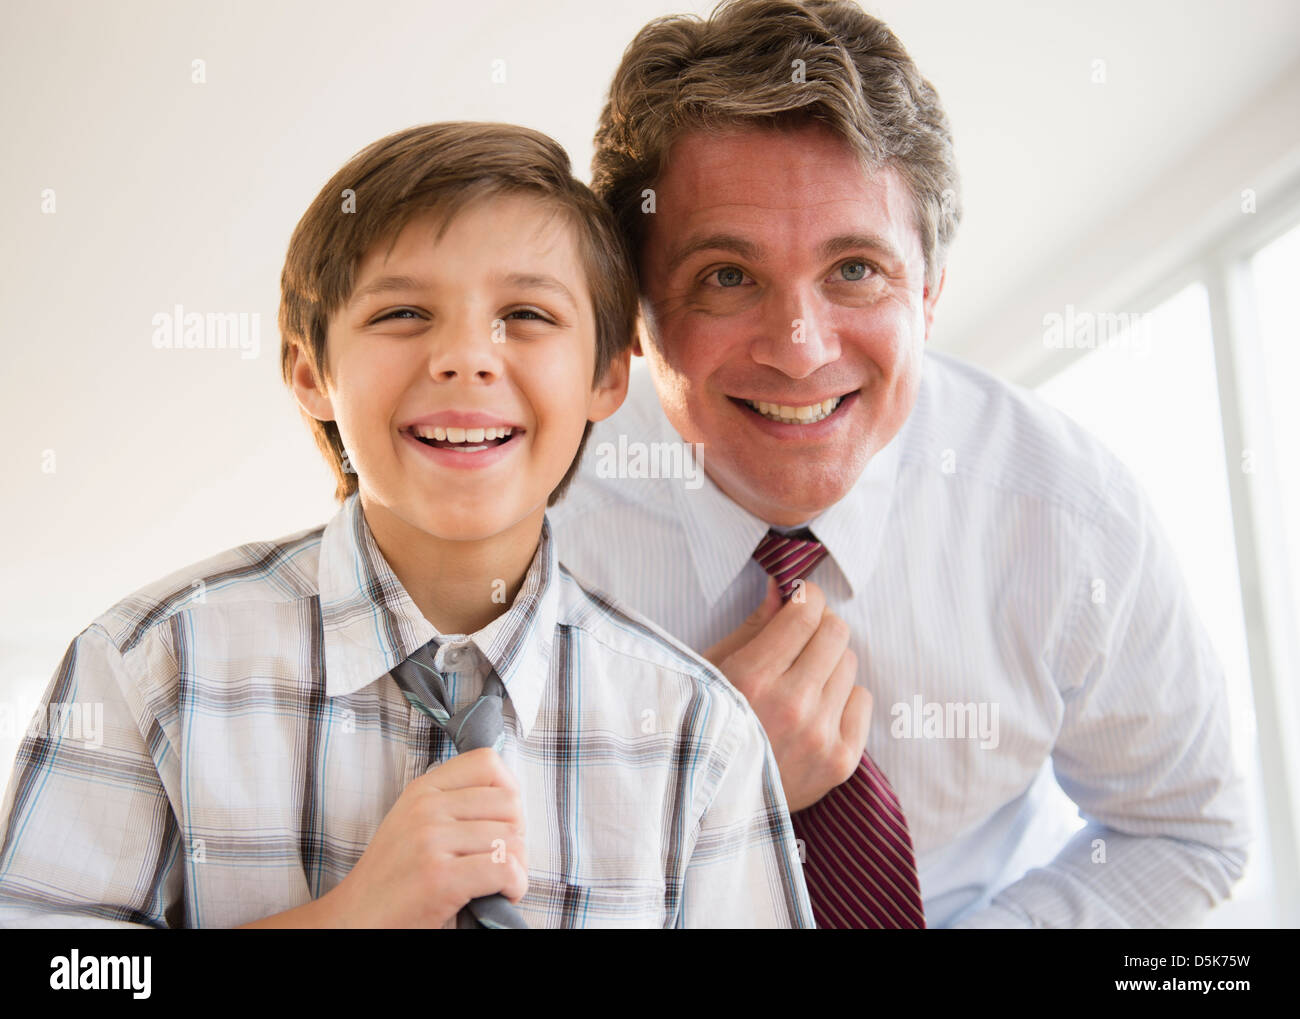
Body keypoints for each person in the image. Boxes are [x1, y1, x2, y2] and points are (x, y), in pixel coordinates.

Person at [0, 121, 813, 929]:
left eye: (526, 313)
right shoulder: (151, 670)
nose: (466, 356)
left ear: (607, 372)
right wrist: (348, 918)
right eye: (402, 314)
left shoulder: (697, 735)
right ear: (310, 371)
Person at [549, 0, 1250, 928]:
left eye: (854, 270)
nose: (800, 351)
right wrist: (685, 793)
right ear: (635, 315)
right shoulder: (531, 537)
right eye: (726, 275)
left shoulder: (1071, 518)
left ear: (928, 295)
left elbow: (1188, 832)